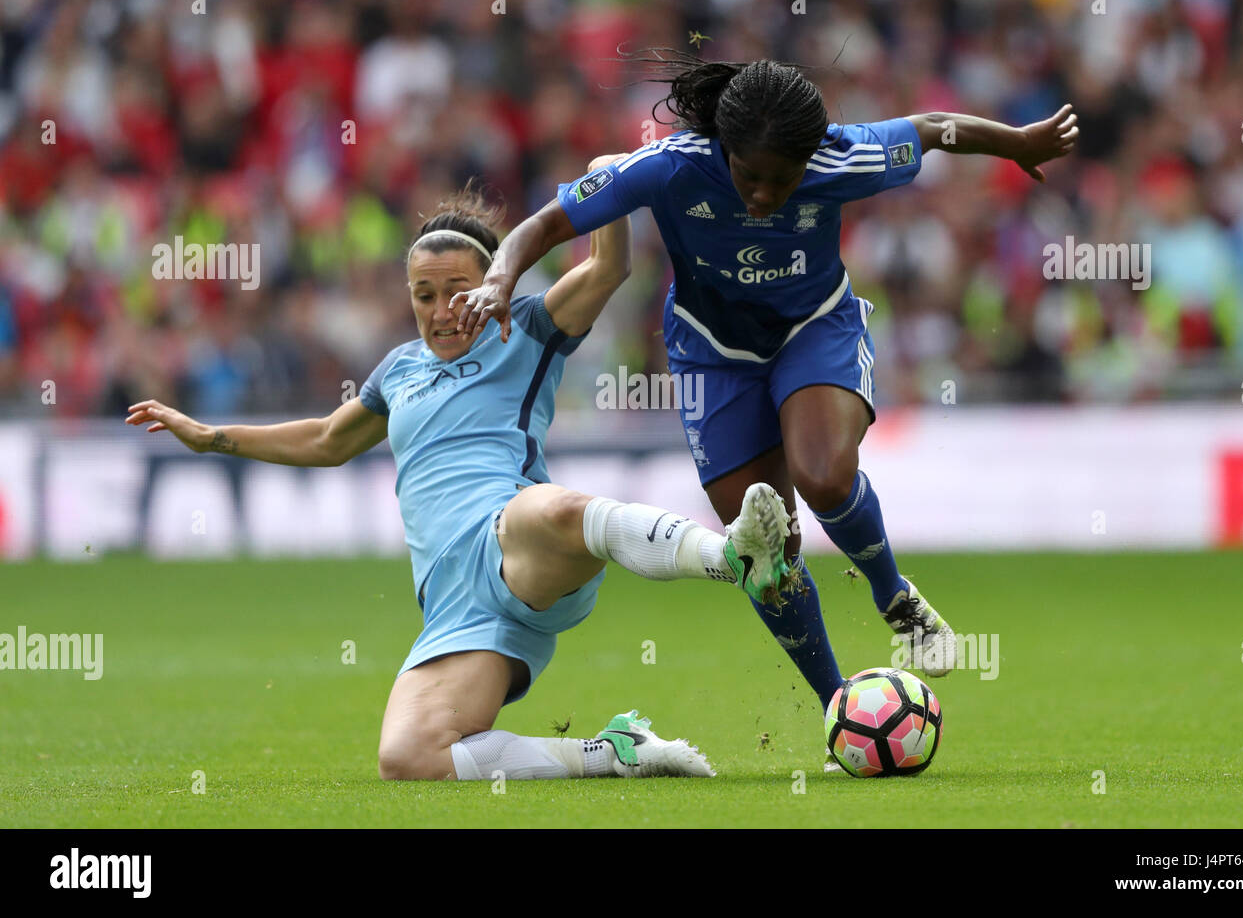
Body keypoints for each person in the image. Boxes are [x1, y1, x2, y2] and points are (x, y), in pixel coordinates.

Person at [452, 54, 1079, 712]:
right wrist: (500, 277)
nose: (761, 195)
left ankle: (893, 593)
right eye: (748, 176)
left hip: (813, 329)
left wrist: (1016, 144)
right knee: (766, 554)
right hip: (710, 355)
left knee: (825, 476)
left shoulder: (841, 158)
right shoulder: (670, 166)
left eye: (782, 181)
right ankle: (840, 705)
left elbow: (928, 127)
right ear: (722, 148)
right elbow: (546, 222)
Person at [125, 170, 793, 781]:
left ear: (492, 282)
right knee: (408, 759)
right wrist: (213, 439)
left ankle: (731, 555)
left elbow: (608, 268)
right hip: (456, 605)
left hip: (516, 544)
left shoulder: (524, 329)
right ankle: (611, 752)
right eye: (424, 295)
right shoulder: (399, 370)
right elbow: (328, 441)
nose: (442, 310)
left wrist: (609, 189)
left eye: (457, 291)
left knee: (550, 510)